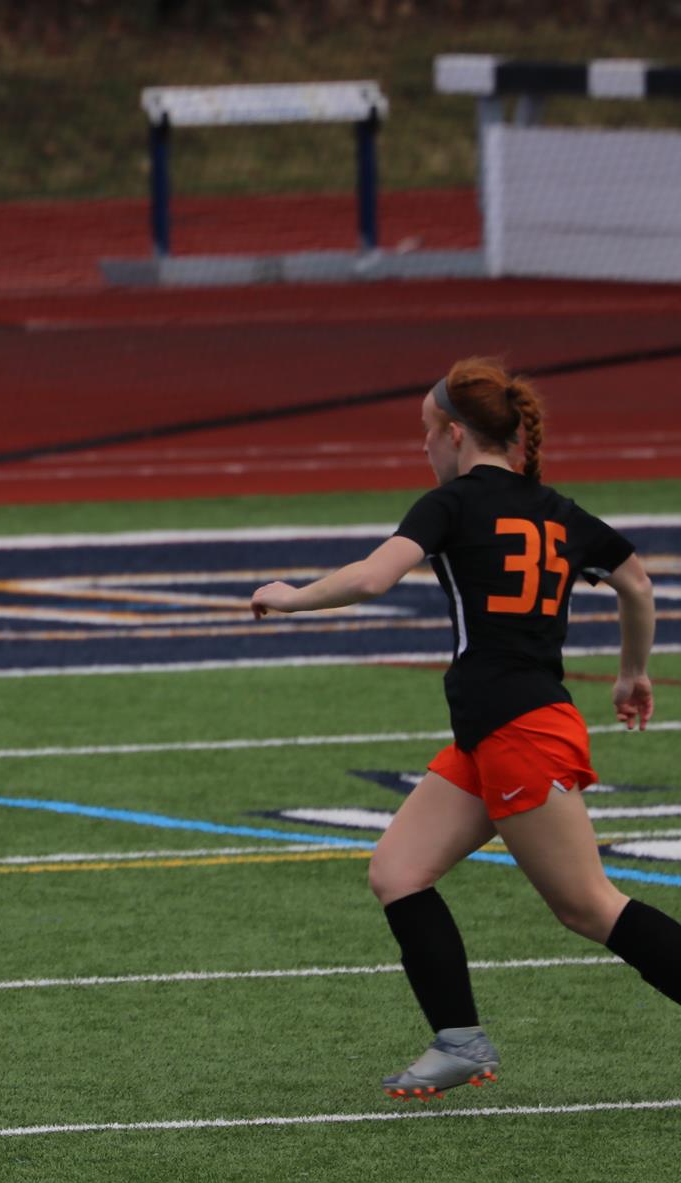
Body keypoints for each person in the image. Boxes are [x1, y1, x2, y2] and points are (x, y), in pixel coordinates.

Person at [250, 357, 677, 1098]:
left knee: (587, 905)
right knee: (398, 871)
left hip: (521, 730)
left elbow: (374, 577)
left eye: (425, 434)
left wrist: (288, 596)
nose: (423, 449)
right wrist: (632, 671)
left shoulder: (448, 504)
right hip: (493, 731)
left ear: (454, 433)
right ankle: (459, 1040)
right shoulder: (556, 508)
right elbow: (636, 580)